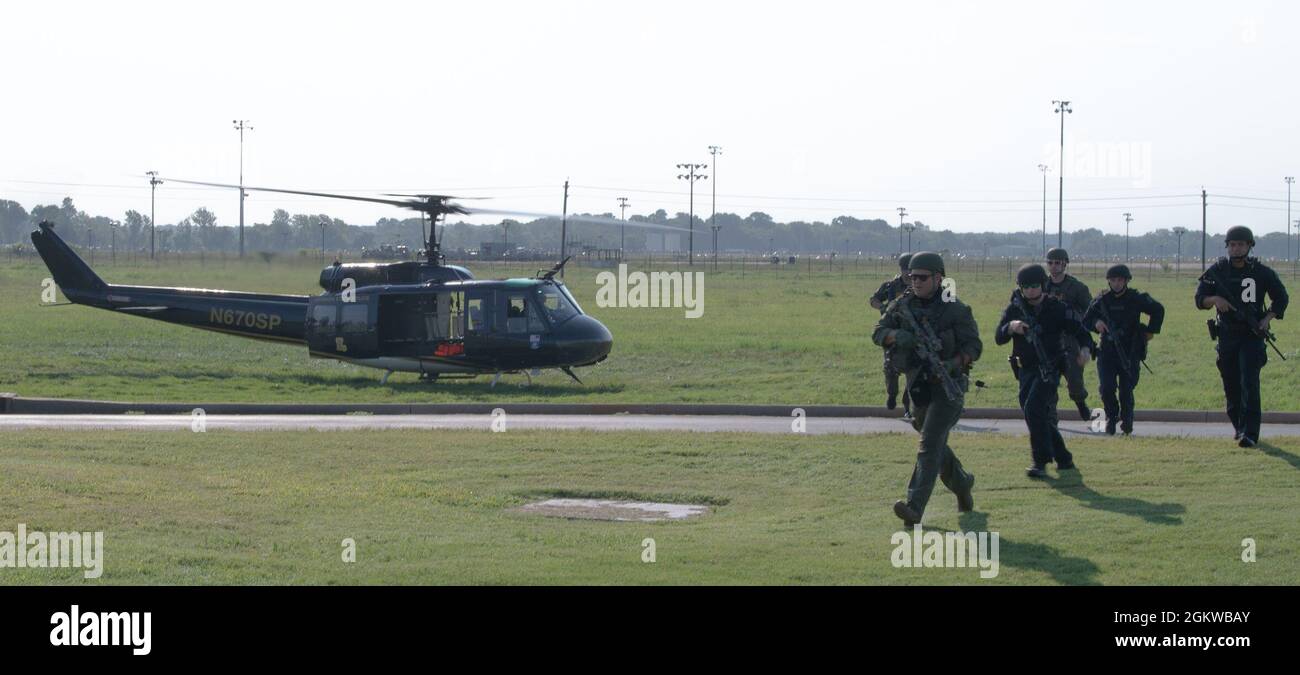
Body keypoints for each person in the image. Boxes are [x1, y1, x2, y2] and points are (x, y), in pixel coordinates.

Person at [872, 252, 982, 528]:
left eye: (922, 277)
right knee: (935, 446)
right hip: (917, 389)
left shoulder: (956, 309)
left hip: (948, 387)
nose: (916, 282)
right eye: (912, 276)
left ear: (938, 278)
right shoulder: (900, 306)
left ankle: (914, 508)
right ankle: (962, 483)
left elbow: (974, 347)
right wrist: (897, 336)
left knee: (929, 445)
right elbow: (878, 333)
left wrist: (953, 362)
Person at [996, 263, 1095, 478]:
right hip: (1024, 369)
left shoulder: (1057, 308)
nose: (1030, 290)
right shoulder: (1015, 308)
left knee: (1033, 409)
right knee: (1034, 412)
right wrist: (1011, 327)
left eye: (1034, 286)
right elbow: (999, 337)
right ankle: (1064, 457)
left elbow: (1081, 331)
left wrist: (1086, 349)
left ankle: (1040, 461)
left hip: (1049, 369)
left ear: (1042, 285)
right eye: (1025, 286)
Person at [1194, 226, 1289, 447]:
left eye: (1241, 244)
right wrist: (1215, 299)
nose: (1236, 249)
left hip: (1252, 335)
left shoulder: (1262, 272)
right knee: (1231, 383)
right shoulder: (1217, 271)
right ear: (1227, 246)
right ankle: (1239, 426)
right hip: (1227, 334)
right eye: (1233, 245)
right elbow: (1199, 298)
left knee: (1250, 382)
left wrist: (1266, 319)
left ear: (1249, 246)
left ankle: (1251, 433)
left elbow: (1281, 298)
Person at [1083, 264, 1165, 435]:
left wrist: (1150, 332)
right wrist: (1096, 324)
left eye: (1120, 280)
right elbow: (1086, 319)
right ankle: (1111, 418)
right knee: (1106, 388)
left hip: (1130, 351)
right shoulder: (1101, 300)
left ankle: (1127, 419)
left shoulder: (1136, 298)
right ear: (1109, 281)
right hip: (1107, 351)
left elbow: (1158, 310)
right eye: (1113, 280)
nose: (1117, 283)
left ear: (1126, 281)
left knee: (1127, 389)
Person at [1043, 247, 1094, 421]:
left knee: (1075, 380)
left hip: (1071, 340)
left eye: (1057, 262)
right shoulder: (1042, 286)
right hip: (1048, 340)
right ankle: (1051, 417)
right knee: (1048, 381)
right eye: (1050, 262)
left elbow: (1090, 312)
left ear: (1065, 264)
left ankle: (1082, 407)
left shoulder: (1077, 288)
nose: (1054, 266)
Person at [871, 253, 913, 415]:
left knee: (913, 370)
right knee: (891, 369)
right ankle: (892, 394)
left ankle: (908, 405)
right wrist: (884, 309)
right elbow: (873, 300)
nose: (908, 274)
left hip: (910, 333)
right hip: (891, 333)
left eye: (910, 270)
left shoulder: (919, 286)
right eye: (905, 270)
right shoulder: (890, 286)